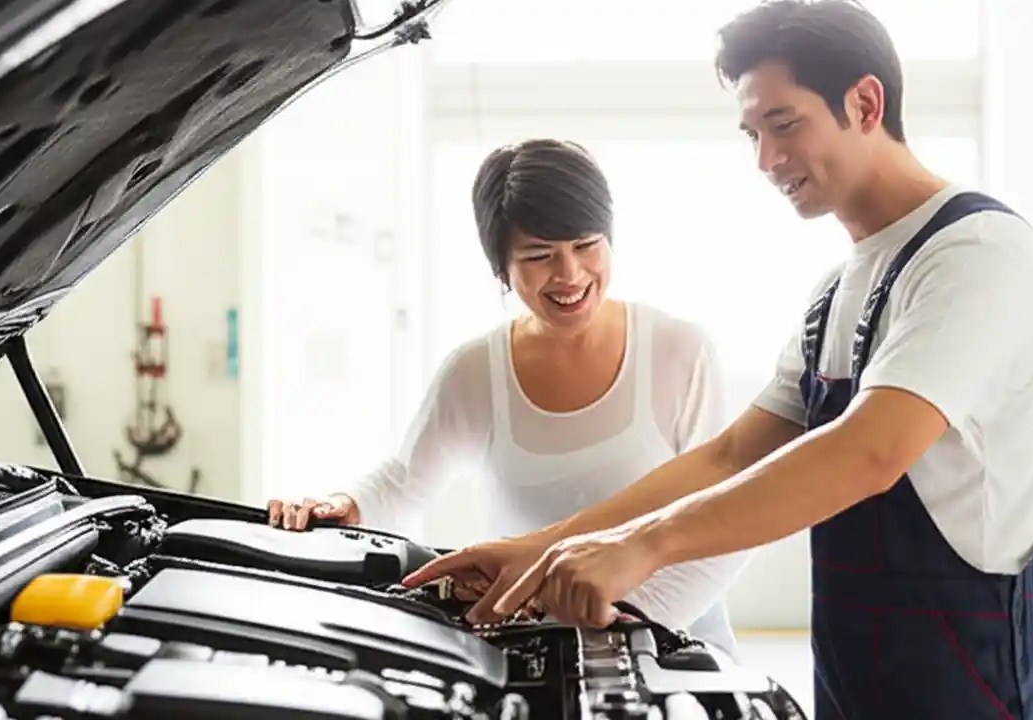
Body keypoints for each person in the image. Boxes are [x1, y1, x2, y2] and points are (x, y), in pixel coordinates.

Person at [401, 2, 1033, 718]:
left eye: (784, 125)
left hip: (976, 679)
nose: (765, 160)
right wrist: (538, 551)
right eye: (753, 133)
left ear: (866, 101)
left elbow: (870, 451)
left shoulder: (976, 254)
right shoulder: (840, 288)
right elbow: (728, 457)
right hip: (863, 675)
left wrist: (643, 548)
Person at [265, 138, 752, 660]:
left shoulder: (678, 351)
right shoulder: (475, 372)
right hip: (535, 638)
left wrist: (620, 620)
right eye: (540, 255)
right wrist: (346, 506)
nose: (570, 275)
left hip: (675, 633)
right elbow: (404, 483)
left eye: (586, 245)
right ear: (500, 266)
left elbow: (727, 513)